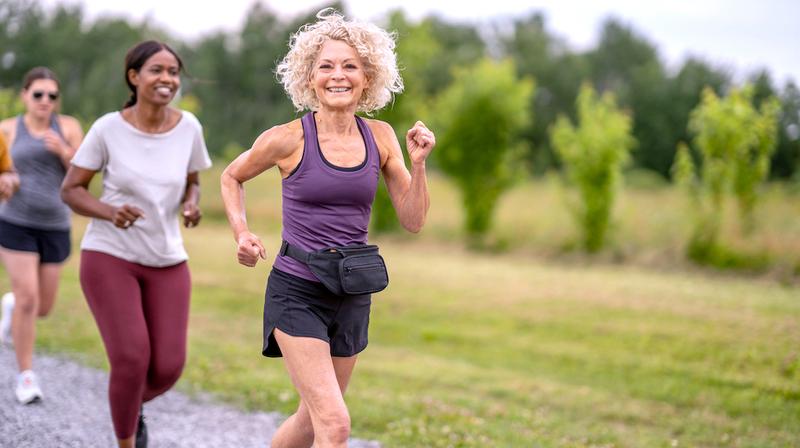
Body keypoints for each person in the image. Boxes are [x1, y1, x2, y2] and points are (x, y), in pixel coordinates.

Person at [220, 9, 435, 448]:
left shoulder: (381, 137)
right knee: (335, 424)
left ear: (367, 77)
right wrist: (242, 232)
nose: (338, 75)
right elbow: (232, 176)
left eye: (350, 66)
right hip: (296, 290)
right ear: (310, 77)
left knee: (310, 420)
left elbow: (413, 220)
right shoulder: (288, 138)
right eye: (326, 66)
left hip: (353, 292)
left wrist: (418, 164)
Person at [61, 40, 212, 448]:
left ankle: (126, 401)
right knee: (130, 358)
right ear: (134, 76)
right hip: (111, 256)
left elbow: (193, 182)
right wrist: (109, 211)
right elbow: (72, 189)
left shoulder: (189, 128)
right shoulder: (108, 128)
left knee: (167, 367)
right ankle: (126, 439)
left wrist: (192, 205)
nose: (167, 79)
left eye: (173, 72)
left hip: (167, 258)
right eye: (157, 70)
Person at [0, 67, 83, 404]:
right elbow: (4, 171)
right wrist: (7, 181)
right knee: (29, 298)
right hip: (15, 222)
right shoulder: (7, 129)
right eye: (38, 94)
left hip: (55, 224)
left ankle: (9, 307)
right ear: (25, 96)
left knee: (43, 308)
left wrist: (64, 151)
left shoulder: (69, 127)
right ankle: (26, 377)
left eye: (51, 95)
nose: (45, 101)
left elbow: (85, 171)